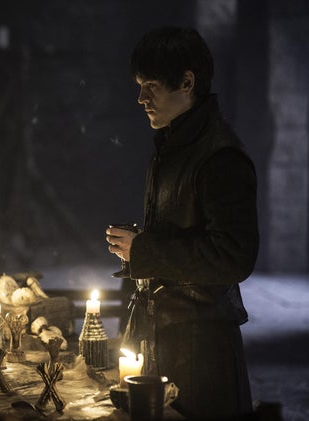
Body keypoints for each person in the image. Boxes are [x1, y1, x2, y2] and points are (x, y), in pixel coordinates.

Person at [106, 27, 258, 420]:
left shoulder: (220, 156)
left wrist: (144, 250)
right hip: (169, 336)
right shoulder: (173, 145)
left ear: (187, 83)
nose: (141, 98)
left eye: (152, 87)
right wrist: (139, 247)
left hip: (202, 347)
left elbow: (233, 257)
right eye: (140, 86)